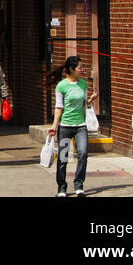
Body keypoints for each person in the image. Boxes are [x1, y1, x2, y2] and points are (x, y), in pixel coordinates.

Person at [50, 55, 97, 196]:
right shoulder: (61, 86)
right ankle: (62, 187)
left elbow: (83, 104)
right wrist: (54, 125)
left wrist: (90, 100)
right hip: (65, 126)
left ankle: (79, 184)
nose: (83, 70)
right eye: (80, 67)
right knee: (63, 157)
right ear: (71, 69)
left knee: (83, 153)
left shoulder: (83, 84)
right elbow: (59, 107)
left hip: (81, 125)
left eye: (83, 67)